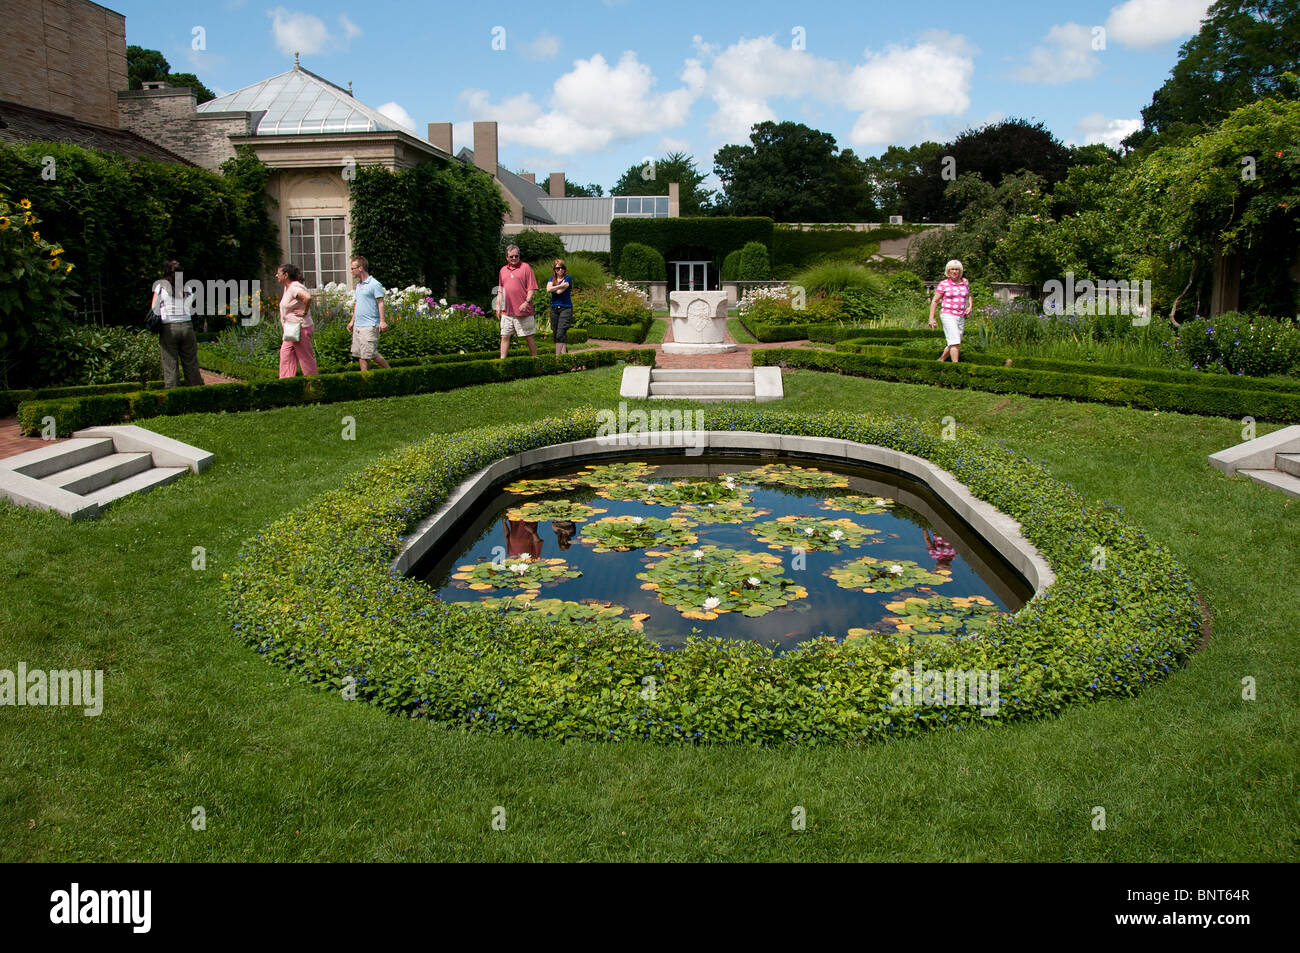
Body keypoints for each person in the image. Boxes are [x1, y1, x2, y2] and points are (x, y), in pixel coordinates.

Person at [151, 261, 204, 388]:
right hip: (187, 326)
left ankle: (173, 393)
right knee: (191, 362)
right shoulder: (187, 288)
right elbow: (190, 306)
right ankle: (195, 390)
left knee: (170, 363)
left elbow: (153, 307)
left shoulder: (161, 287)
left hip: (169, 327)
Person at [346, 255, 390, 371]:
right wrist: (352, 321)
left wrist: (382, 321)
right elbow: (358, 304)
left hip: (369, 325)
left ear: (360, 268)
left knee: (371, 354)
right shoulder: (359, 285)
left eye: (352, 268)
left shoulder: (374, 284)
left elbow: (380, 302)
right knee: (361, 355)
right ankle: (365, 380)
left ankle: (391, 372)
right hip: (358, 325)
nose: (351, 271)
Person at [497, 244, 538, 359]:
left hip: (523, 311)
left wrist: (526, 302)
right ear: (507, 257)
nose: (514, 258)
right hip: (507, 312)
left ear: (519, 256)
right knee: (504, 336)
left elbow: (531, 288)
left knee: (528, 337)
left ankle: (535, 359)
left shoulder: (526, 268)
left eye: (516, 256)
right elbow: (500, 290)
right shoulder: (502, 270)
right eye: (511, 256)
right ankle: (502, 361)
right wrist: (498, 306)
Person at [276, 263, 317, 378]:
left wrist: (304, 311)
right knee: (286, 355)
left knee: (305, 358)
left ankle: (313, 384)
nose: (276, 275)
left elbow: (307, 297)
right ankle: (286, 384)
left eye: (278, 273)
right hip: (291, 330)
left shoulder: (294, 287)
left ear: (286, 275)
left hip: (300, 328)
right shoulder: (287, 287)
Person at [928, 259, 972, 363]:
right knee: (955, 341)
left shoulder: (965, 282)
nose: (954, 271)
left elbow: (968, 296)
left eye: (957, 269)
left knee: (954, 342)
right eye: (952, 269)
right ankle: (955, 368)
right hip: (948, 314)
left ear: (960, 271)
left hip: (960, 316)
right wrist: (931, 318)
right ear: (948, 271)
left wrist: (970, 306)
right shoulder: (944, 284)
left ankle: (940, 361)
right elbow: (935, 301)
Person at [545, 258, 574, 355]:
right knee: (555, 333)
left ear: (564, 269)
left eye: (562, 268)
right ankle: (564, 355)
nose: (560, 270)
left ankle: (557, 357)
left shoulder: (568, 277)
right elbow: (548, 290)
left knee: (560, 333)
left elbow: (558, 292)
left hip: (565, 308)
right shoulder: (551, 278)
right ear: (554, 269)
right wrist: (560, 285)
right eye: (558, 268)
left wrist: (554, 287)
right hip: (554, 308)